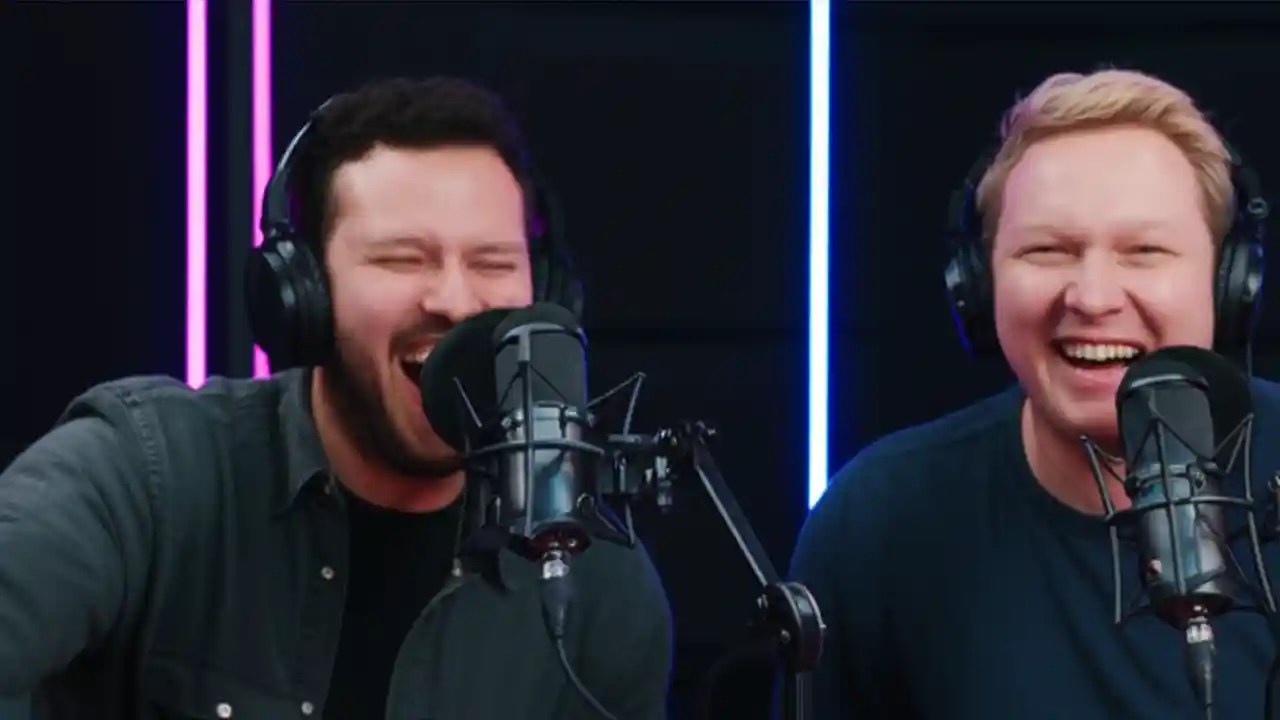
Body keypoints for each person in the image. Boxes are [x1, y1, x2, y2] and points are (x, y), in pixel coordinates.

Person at [0, 76, 672, 719]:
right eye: (402, 259)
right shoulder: (145, 474)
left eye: (492, 263)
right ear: (305, 299)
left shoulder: (595, 580)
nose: (456, 302)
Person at [790, 68, 1280, 718]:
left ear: (1228, 283)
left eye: (1144, 251)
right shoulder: (877, 520)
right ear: (978, 285)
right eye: (1048, 250)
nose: (1093, 297)